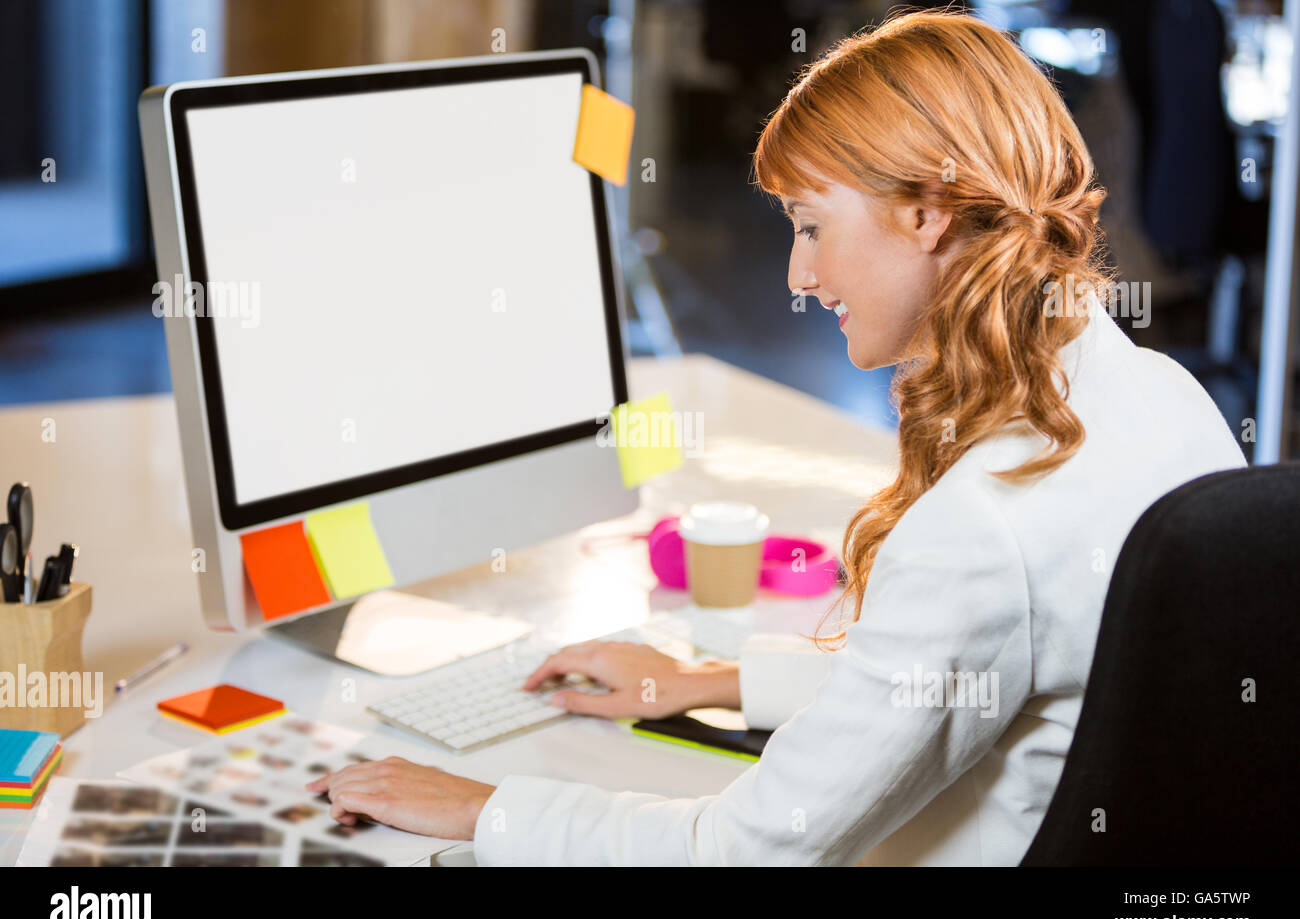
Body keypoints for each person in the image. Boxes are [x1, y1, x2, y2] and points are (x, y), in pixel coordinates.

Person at [305, 10, 1246, 865]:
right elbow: (944, 688)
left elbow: (748, 852)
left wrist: (490, 811)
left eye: (810, 226)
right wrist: (703, 682)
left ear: (924, 213)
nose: (799, 275)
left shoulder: (985, 524)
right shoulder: (1159, 395)